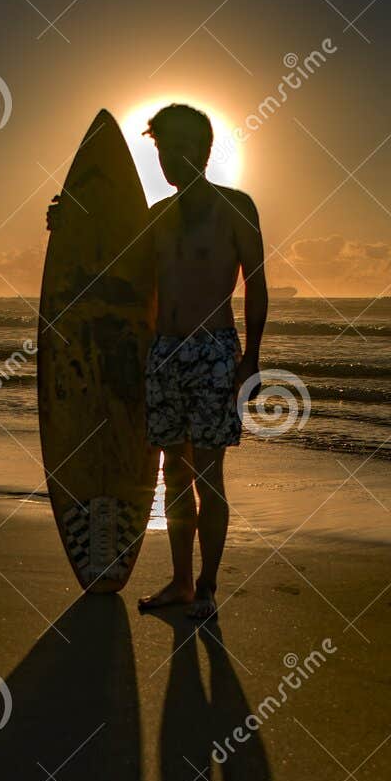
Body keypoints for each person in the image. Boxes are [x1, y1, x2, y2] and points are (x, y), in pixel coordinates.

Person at [47, 102, 268, 621]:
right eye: (160, 150)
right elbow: (114, 271)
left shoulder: (237, 207)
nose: (165, 160)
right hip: (163, 354)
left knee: (209, 477)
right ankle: (180, 582)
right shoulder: (158, 218)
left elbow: (257, 286)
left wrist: (253, 359)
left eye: (171, 148)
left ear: (198, 150)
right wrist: (67, 225)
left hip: (213, 351)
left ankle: (208, 588)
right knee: (173, 477)